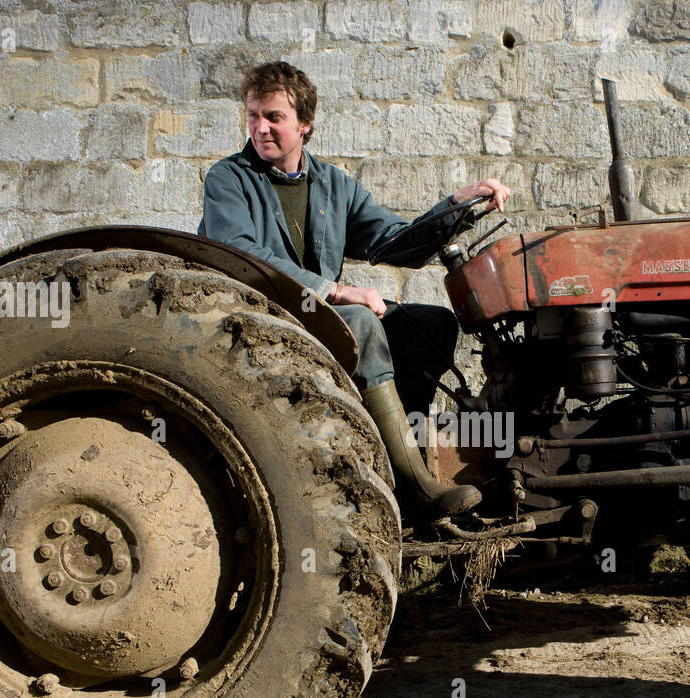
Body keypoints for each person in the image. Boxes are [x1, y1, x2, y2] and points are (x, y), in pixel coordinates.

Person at [198, 61, 510, 517]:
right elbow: (239, 254)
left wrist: (456, 205)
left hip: (317, 318)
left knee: (431, 324)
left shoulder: (333, 184)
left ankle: (396, 448)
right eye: (252, 116)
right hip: (261, 318)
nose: (260, 128)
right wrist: (336, 290)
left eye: (273, 117)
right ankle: (415, 489)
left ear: (305, 125)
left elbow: (393, 241)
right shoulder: (228, 179)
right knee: (361, 322)